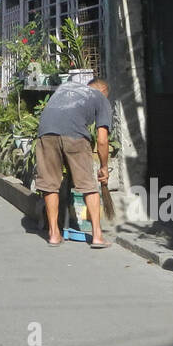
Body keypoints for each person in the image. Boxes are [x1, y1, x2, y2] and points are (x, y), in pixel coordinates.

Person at [34, 75, 111, 248]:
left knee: (49, 184)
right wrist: (104, 167)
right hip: (75, 135)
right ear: (104, 91)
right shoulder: (100, 98)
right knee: (88, 185)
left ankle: (54, 234)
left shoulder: (66, 87)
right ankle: (97, 236)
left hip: (46, 132)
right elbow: (102, 140)